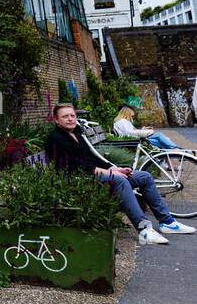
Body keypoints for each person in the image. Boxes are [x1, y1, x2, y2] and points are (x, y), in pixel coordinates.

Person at [46, 103, 193, 244]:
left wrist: (113, 168)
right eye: (65, 116)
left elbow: (93, 157)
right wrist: (109, 173)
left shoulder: (76, 133)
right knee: (120, 181)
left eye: (72, 115)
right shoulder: (56, 139)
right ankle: (144, 229)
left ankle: (167, 222)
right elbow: (75, 166)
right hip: (77, 179)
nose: (71, 119)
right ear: (56, 120)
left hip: (92, 173)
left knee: (144, 177)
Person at [112, 104, 181, 150]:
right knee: (160, 137)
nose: (132, 117)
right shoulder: (122, 122)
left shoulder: (122, 122)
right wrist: (145, 132)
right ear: (127, 114)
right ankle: (177, 150)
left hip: (135, 140)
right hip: (134, 141)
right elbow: (129, 133)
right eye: (131, 116)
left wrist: (143, 130)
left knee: (163, 140)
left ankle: (175, 151)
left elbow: (131, 131)